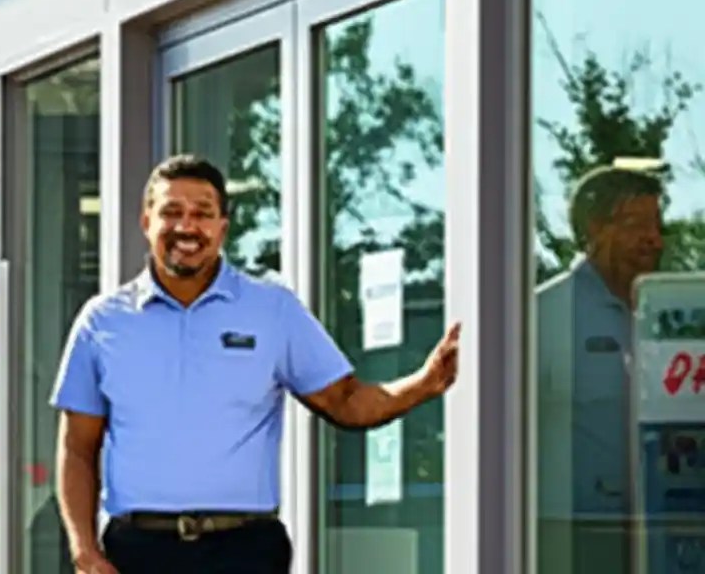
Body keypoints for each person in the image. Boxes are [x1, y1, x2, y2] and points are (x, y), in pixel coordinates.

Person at [50, 154, 460, 573]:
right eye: (171, 212)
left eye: (202, 214)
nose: (187, 227)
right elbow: (77, 449)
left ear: (222, 227)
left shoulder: (272, 310)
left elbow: (346, 402)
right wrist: (84, 550)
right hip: (135, 552)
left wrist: (424, 383)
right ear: (146, 221)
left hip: (244, 551)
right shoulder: (102, 322)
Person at [535, 163, 665, 574]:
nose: (653, 238)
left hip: (666, 532)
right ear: (595, 229)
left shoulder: (670, 315)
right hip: (570, 537)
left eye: (657, 225)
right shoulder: (541, 316)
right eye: (636, 225)